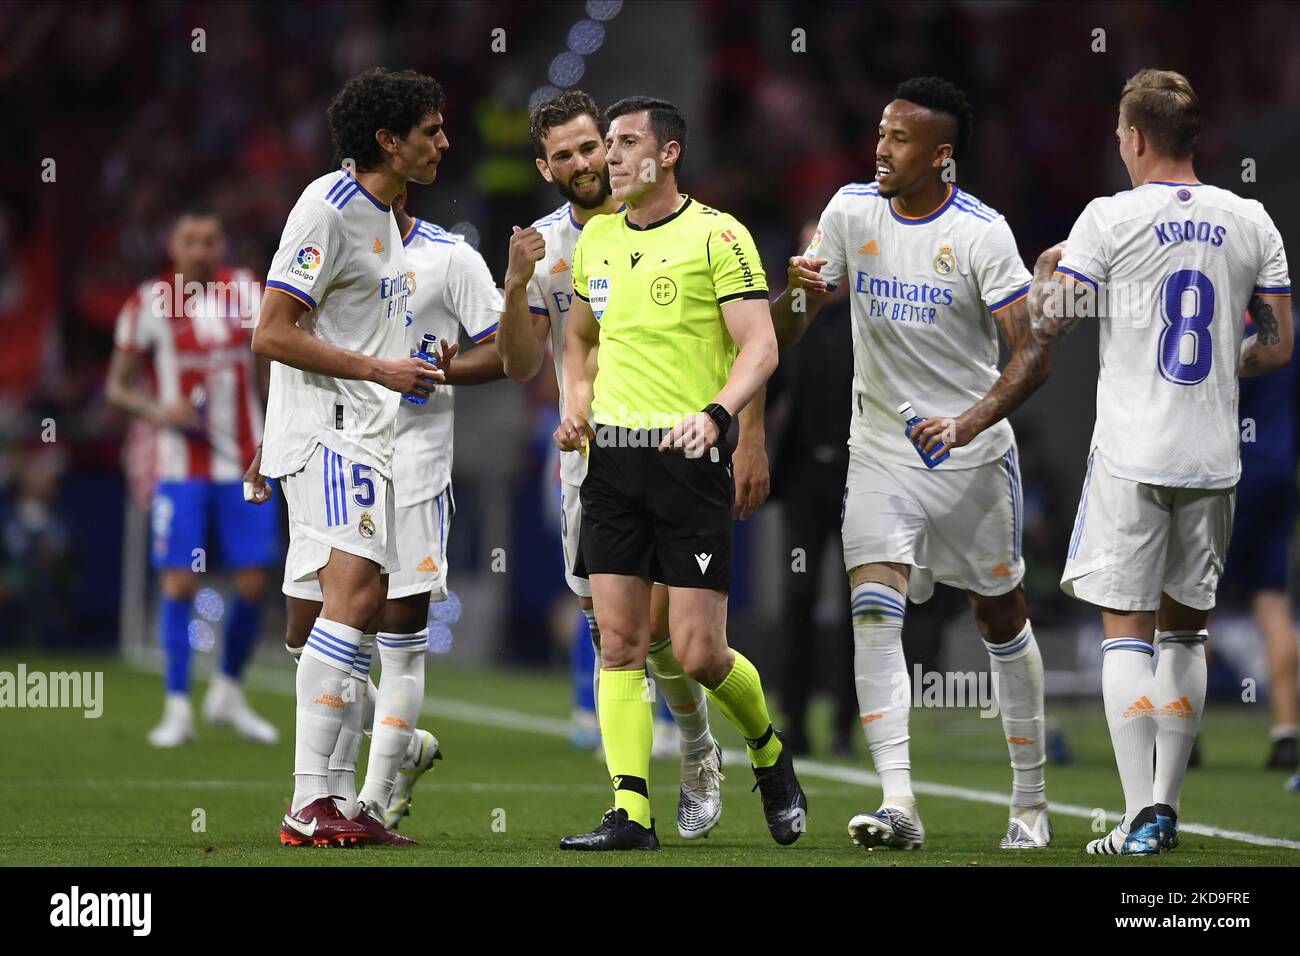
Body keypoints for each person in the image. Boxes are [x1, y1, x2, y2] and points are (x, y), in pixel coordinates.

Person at [773, 77, 1053, 851]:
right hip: (881, 453)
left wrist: (965, 425)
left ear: (942, 154)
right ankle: (899, 802)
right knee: (871, 610)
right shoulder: (849, 211)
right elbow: (789, 331)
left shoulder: (982, 234)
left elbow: (1032, 358)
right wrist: (795, 298)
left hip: (971, 459)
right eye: (880, 134)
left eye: (899, 139)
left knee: (1000, 615)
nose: (881, 149)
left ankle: (1029, 801)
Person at [1028, 69, 1293, 855]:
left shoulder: (1108, 217)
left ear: (1135, 137)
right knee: (1186, 636)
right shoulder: (1252, 218)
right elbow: (1278, 344)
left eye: (1119, 136)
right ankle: (1166, 807)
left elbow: (1054, 326)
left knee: (1126, 635)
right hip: (1213, 456)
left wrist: (1049, 277)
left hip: (1133, 452)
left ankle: (1139, 810)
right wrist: (1220, 361)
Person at [497, 90, 772, 840]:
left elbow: (744, 343)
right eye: (570, 155)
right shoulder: (561, 246)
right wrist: (518, 285)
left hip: (684, 452)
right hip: (595, 458)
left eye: (599, 145)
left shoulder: (707, 234)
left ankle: (697, 752)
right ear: (547, 166)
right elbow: (524, 363)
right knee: (618, 637)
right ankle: (640, 798)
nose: (591, 162)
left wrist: (745, 434)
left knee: (680, 640)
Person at [246, 186, 505, 842]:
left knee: (392, 637)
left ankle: (367, 799)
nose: (443, 142)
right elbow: (287, 336)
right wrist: (271, 440)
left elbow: (509, 352)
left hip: (413, 466)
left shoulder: (451, 257)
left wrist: (448, 368)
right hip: (336, 447)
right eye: (429, 131)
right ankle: (364, 770)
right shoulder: (340, 220)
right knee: (310, 632)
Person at [251, 67, 446, 848]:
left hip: (364, 431)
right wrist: (380, 371)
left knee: (326, 622)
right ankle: (309, 802)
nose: (443, 142)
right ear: (387, 141)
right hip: (334, 431)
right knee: (358, 601)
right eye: (429, 130)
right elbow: (270, 332)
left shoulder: (388, 211)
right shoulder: (325, 211)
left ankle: (334, 801)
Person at [107, 209, 278, 748]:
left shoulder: (248, 291)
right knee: (179, 581)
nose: (201, 249)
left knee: (254, 582)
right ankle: (177, 705)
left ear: (221, 242)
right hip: (179, 470)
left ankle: (227, 689)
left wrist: (280, 434)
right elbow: (118, 386)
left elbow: (272, 364)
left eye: (210, 240)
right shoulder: (149, 302)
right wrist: (160, 411)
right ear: (173, 246)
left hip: (245, 463)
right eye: (190, 240)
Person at [770, 221, 858, 757]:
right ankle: (795, 720)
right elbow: (762, 379)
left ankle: (847, 724)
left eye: (826, 252)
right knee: (798, 597)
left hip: (860, 479)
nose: (817, 262)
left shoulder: (871, 320)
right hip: (804, 480)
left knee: (860, 607)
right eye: (810, 251)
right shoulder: (793, 319)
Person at [1221, 332, 1298, 771]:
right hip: (1280, 472)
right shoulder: (1291, 331)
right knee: (1274, 604)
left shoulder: (1227, 325)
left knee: (1195, 600)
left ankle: (1183, 734)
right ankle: (1285, 734)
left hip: (1229, 472)